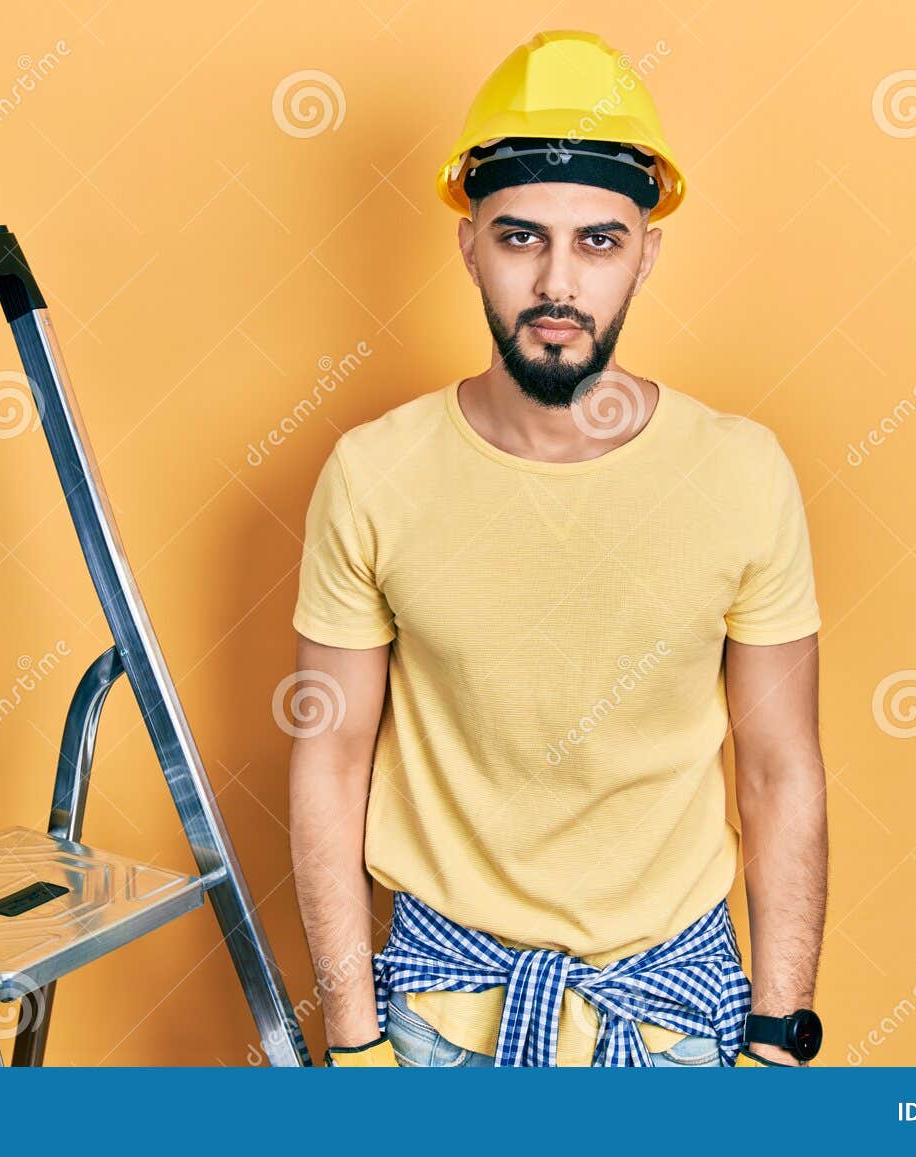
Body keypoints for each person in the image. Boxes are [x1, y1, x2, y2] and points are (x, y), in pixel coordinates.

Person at [288, 29, 828, 1068]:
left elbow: (779, 768)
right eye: (521, 236)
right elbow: (330, 756)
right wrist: (351, 1037)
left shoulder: (741, 474)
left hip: (672, 1019)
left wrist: (779, 1033)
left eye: (597, 241)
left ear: (646, 250)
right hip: (438, 1018)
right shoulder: (372, 473)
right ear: (468, 243)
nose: (557, 282)